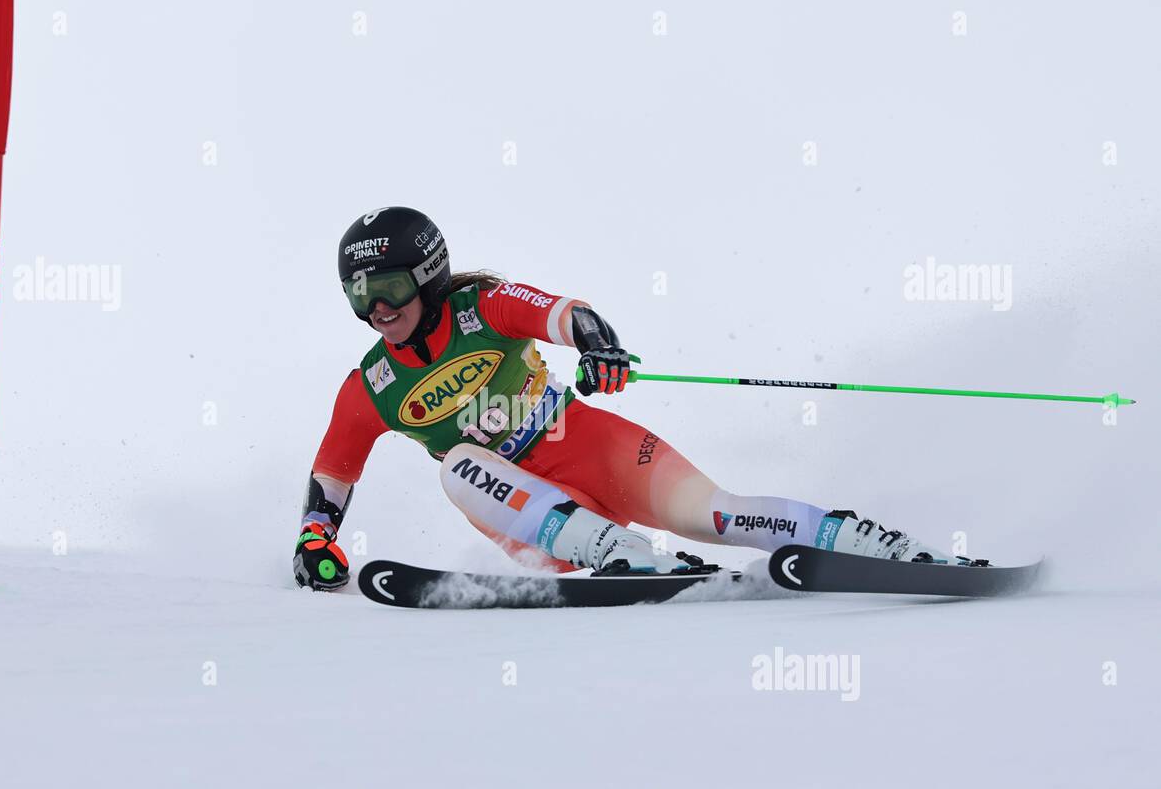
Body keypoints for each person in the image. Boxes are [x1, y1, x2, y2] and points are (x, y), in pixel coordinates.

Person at [295, 207, 956, 590]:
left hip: (583, 444)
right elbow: (333, 471)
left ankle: (877, 546)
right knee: (458, 466)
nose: (377, 309)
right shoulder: (371, 386)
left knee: (718, 514)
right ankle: (622, 555)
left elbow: (563, 313)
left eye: (387, 288)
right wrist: (314, 540)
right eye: (359, 294)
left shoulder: (482, 308)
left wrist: (595, 345)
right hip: (531, 518)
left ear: (428, 275)